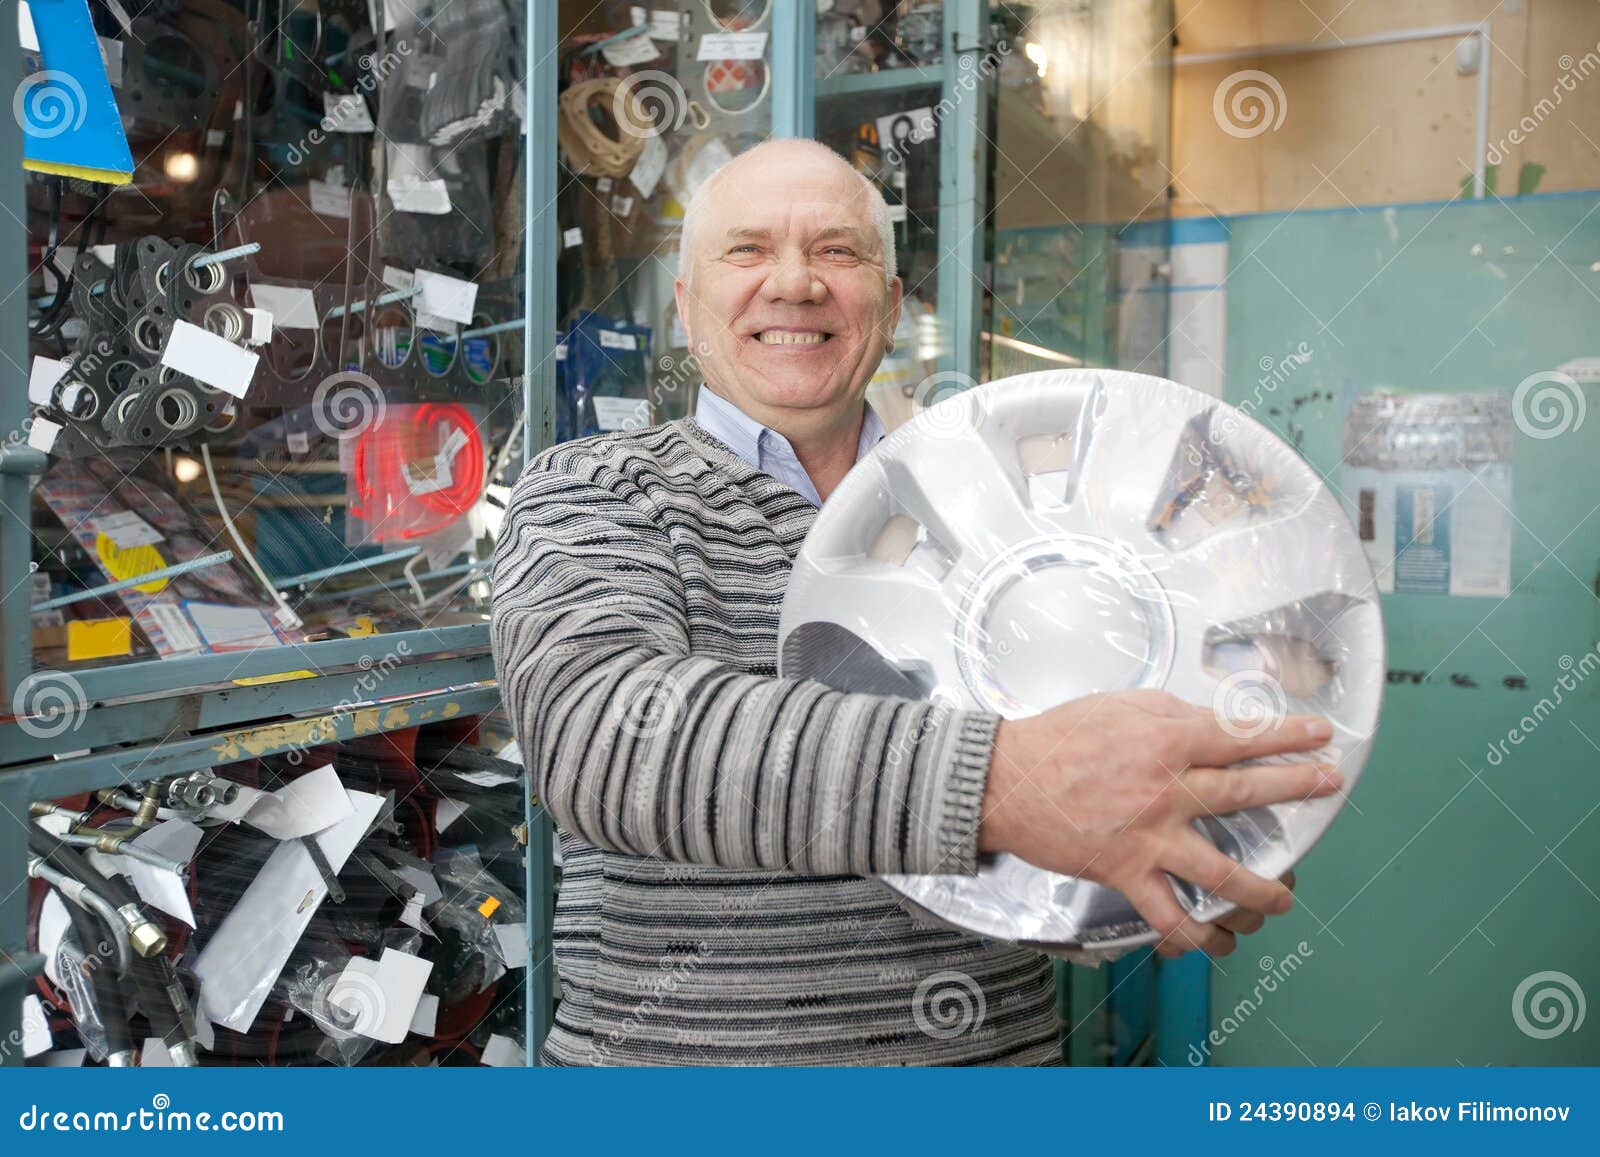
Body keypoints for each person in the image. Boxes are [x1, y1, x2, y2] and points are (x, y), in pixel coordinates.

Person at [491, 139, 1341, 1066]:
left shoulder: (1003, 501)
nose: (795, 283)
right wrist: (1006, 780)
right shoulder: (596, 488)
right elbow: (602, 735)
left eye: (838, 251)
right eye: (747, 250)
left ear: (891, 307)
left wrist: (1153, 859)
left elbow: (1082, 787)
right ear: (686, 306)